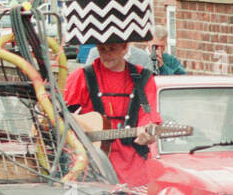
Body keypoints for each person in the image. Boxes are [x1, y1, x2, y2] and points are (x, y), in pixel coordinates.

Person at [63, 39, 161, 186]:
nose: (106, 54)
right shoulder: (81, 76)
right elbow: (59, 114)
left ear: (125, 47)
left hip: (133, 169)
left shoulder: (143, 77)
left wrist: (147, 132)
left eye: (112, 49)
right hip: (91, 170)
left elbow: (148, 115)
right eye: (102, 49)